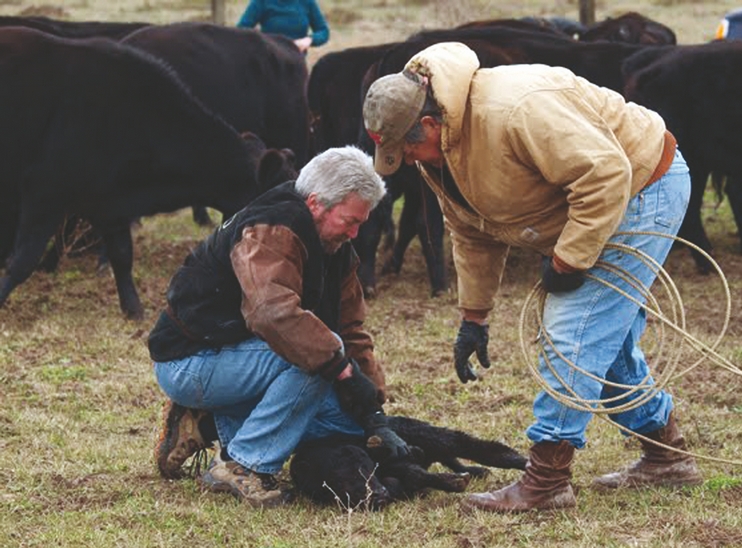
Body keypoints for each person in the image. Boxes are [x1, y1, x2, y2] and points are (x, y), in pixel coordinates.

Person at [362, 42, 702, 513]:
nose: (412, 160)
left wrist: (568, 260)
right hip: (596, 198)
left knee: (573, 334)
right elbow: (470, 230)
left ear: (429, 124)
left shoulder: (515, 109)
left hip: (642, 186)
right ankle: (666, 455)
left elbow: (604, 174)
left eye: (411, 148)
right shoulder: (441, 153)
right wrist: (474, 317)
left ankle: (546, 482)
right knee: (603, 339)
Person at [148, 146, 409, 508]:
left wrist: (372, 409)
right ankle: (241, 464)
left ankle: (204, 423)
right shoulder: (271, 230)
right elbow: (272, 315)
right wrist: (342, 370)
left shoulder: (335, 248)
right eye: (350, 221)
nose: (355, 233)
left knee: (343, 422)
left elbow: (351, 329)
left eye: (361, 224)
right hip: (189, 362)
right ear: (317, 204)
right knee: (319, 357)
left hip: (238, 358)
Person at [237, 0, 330, 54]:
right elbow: (241, 30)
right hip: (268, 63)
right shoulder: (261, 2)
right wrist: (260, 41)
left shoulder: (307, 2)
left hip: (297, 65)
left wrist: (309, 40)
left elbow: (323, 31)